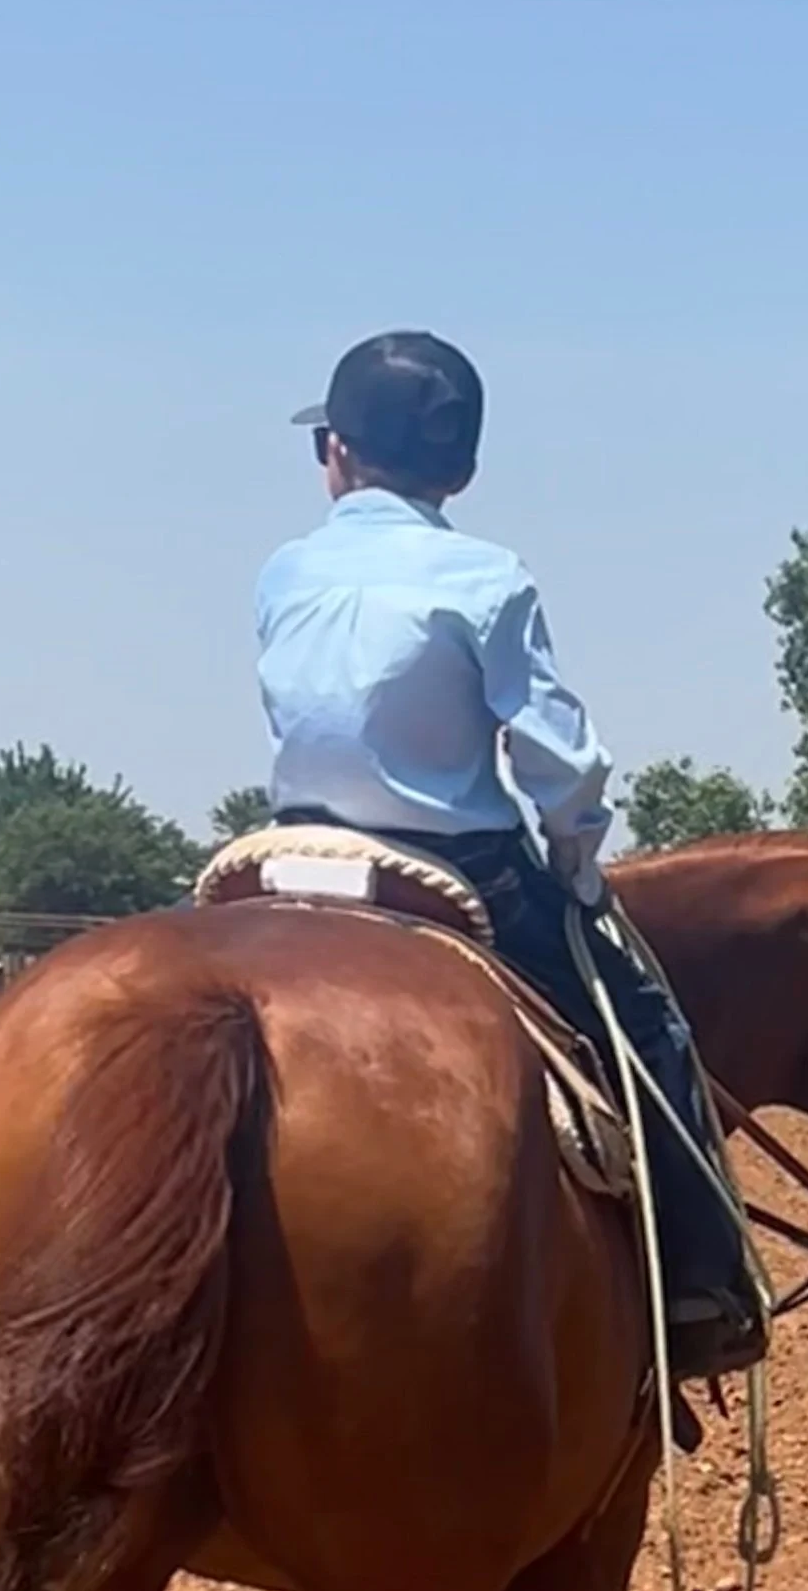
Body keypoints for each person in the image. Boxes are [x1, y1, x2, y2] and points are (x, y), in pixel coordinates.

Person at [255, 330, 765, 1383]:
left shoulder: (284, 571)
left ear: (337, 455)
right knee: (652, 1032)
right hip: (454, 868)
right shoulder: (488, 578)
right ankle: (699, 1289)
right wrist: (577, 871)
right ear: (463, 471)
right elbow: (560, 762)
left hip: (279, 860)